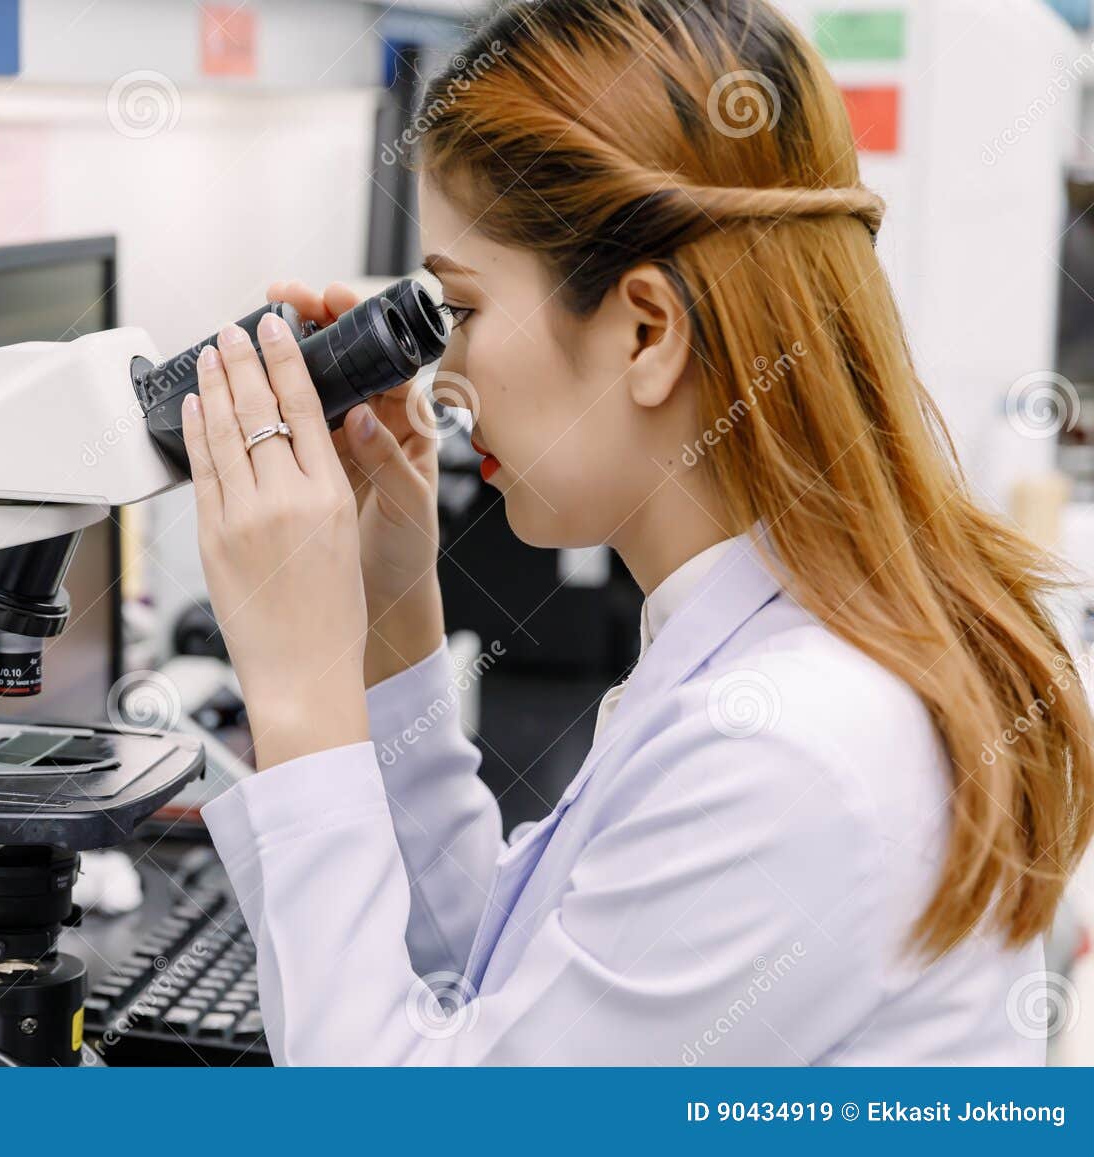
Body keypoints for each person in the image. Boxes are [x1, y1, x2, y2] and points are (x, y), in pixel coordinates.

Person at [180, 0, 1094, 1064]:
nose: (448, 380)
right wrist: (386, 615)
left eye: (462, 311)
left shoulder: (790, 747)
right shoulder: (769, 640)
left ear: (647, 330)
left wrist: (297, 692)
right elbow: (513, 986)